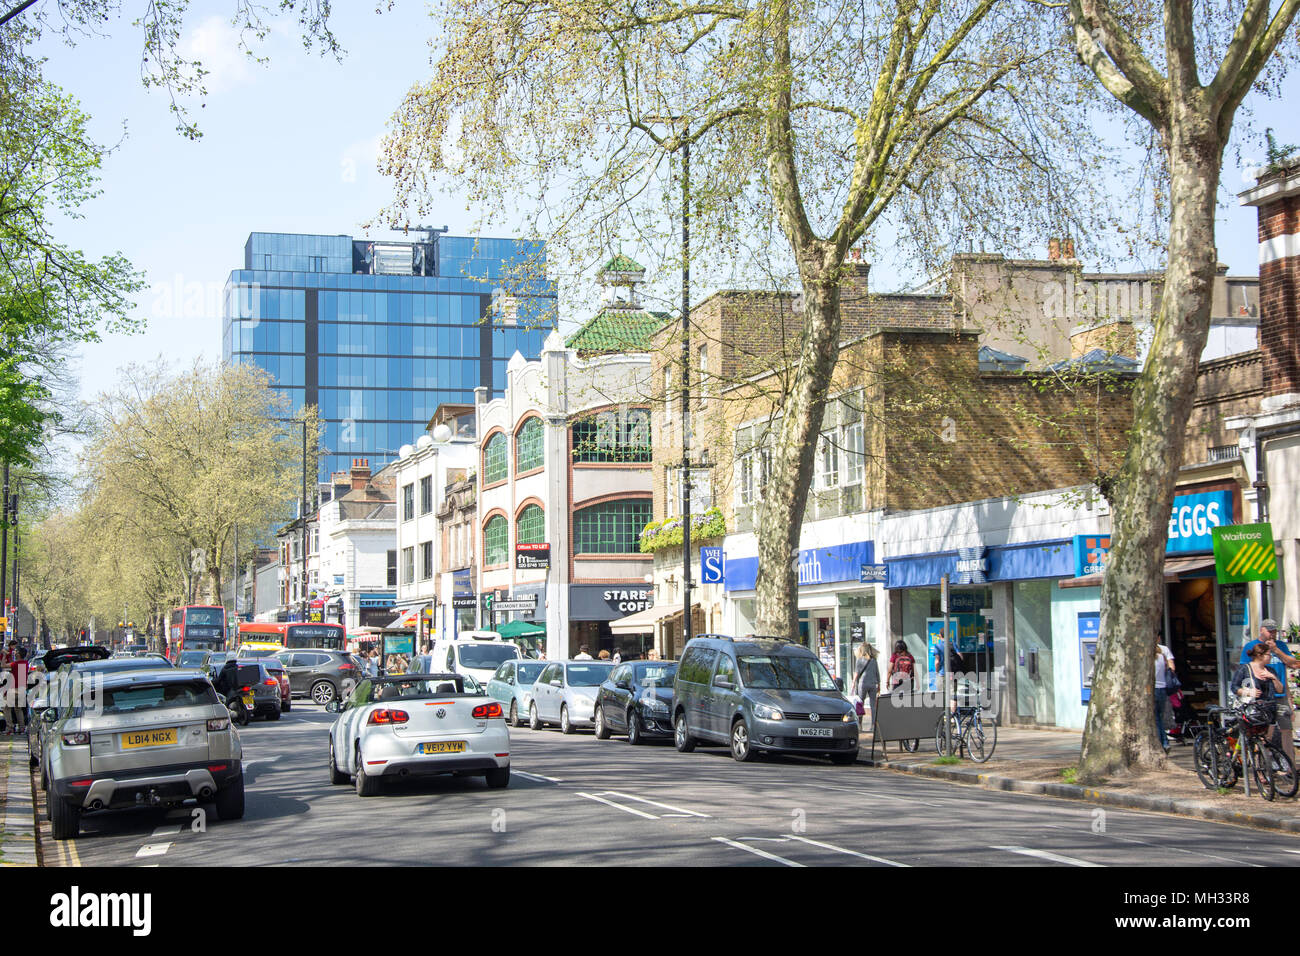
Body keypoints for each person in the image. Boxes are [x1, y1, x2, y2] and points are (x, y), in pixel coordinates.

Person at [1239, 619, 1296, 764]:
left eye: (1274, 631)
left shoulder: (1281, 646)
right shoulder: (1252, 647)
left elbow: (1294, 664)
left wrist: (1276, 650)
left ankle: (1289, 766)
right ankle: (1264, 767)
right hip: (1262, 696)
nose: (1272, 634)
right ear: (1261, 630)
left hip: (1280, 694)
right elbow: (1244, 670)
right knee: (1265, 733)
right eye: (1269, 630)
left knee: (1286, 729)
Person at [1153, 636, 1176, 752]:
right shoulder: (1164, 650)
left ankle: (1164, 743)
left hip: (1152, 689)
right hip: (1163, 688)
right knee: (1159, 717)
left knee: (1155, 718)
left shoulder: (1147, 651)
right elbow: (1172, 667)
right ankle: (1164, 742)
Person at [853, 642, 879, 729]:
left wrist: (853, 683)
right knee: (873, 706)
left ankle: (860, 725)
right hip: (872, 684)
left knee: (860, 704)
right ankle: (873, 725)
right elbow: (877, 673)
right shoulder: (874, 660)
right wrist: (879, 684)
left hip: (862, 684)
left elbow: (856, 673)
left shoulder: (859, 660)